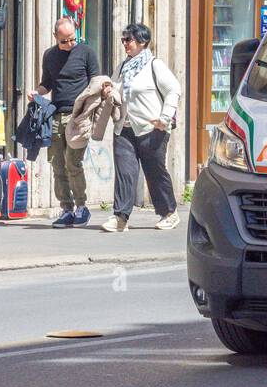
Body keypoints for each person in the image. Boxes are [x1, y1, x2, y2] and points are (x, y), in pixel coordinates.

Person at [102, 23, 182, 232]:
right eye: (124, 40)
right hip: (124, 127)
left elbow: (174, 89)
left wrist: (164, 118)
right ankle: (120, 217)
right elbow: (116, 89)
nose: (125, 44)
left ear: (143, 42)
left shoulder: (155, 65)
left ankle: (169, 213)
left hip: (152, 128)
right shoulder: (122, 67)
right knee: (125, 173)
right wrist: (109, 90)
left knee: (154, 171)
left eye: (129, 40)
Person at [33, 17, 99, 226]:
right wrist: (37, 92)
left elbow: (96, 80)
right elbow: (47, 84)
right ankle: (66, 208)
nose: (70, 44)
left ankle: (82, 206)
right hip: (55, 114)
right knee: (57, 164)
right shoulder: (50, 56)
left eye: (73, 39)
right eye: (65, 41)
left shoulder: (87, 52)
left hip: (78, 115)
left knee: (73, 162)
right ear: (56, 37)